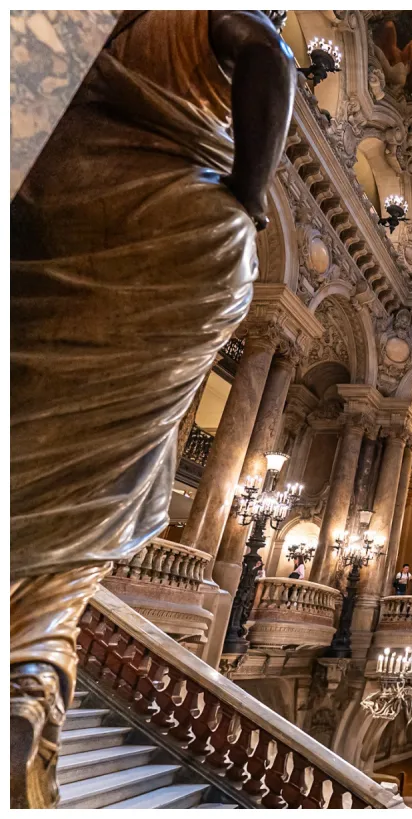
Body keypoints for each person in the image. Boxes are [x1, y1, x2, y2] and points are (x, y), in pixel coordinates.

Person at [10, 13, 295, 806]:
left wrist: (246, 197)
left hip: (76, 190)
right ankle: (27, 671)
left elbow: (270, 54)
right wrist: (246, 201)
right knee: (80, 491)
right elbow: (270, 55)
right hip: (183, 236)